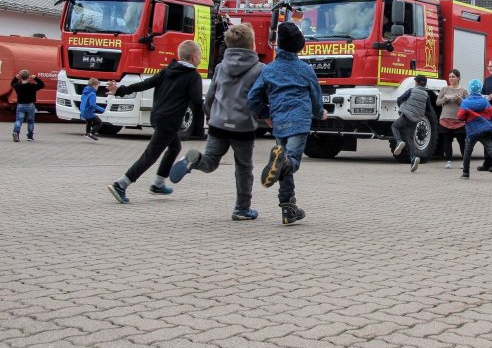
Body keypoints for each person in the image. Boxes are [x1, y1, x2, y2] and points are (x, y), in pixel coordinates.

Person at [169, 25, 265, 221]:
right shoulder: (260, 69)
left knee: (211, 162)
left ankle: (195, 160)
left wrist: (210, 116)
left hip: (218, 123)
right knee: (244, 168)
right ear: (252, 45)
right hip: (243, 126)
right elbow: (262, 97)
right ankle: (242, 208)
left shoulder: (221, 67)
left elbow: (211, 96)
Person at [247, 22, 327, 225]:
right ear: (299, 46)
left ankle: (288, 208)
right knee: (291, 162)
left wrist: (265, 113)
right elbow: (316, 96)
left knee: (282, 162)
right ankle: (283, 169)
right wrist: (320, 113)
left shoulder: (268, 70)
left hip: (279, 121)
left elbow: (253, 97)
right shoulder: (305, 70)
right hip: (299, 120)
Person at [106, 40, 203, 204]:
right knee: (150, 156)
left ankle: (158, 184)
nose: (200, 59)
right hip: (170, 122)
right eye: (200, 56)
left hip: (158, 117)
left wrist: (120, 90)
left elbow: (145, 84)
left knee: (175, 147)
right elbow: (197, 101)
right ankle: (121, 184)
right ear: (194, 57)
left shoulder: (167, 70)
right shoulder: (193, 76)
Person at [458, 79, 492, 183]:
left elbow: (460, 116)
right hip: (484, 130)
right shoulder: (485, 102)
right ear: (480, 89)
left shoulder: (465, 102)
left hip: (471, 131)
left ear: (470, 89)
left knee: (467, 152)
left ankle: (465, 173)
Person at [392, 74, 434, 173]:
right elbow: (428, 109)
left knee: (394, 126)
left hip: (406, 115)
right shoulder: (426, 95)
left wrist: (402, 107)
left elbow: (400, 99)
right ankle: (413, 158)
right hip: (416, 119)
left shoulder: (411, 90)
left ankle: (399, 141)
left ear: (416, 82)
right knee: (410, 138)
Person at [436, 69, 467, 169]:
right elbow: (437, 102)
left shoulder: (463, 91)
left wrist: (460, 99)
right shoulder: (444, 89)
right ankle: (448, 161)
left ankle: (465, 162)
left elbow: (468, 104)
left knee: (462, 142)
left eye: (453, 77)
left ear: (458, 78)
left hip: (459, 121)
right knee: (447, 141)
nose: (451, 79)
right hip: (445, 120)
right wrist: (444, 99)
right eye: (449, 77)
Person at [10, 69, 45, 142]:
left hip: (20, 105)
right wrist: (35, 78)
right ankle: (30, 136)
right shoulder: (32, 86)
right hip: (30, 105)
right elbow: (42, 85)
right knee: (30, 121)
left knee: (19, 120)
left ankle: (16, 132)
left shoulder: (17, 85)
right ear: (29, 77)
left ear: (20, 77)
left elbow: (12, 83)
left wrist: (16, 78)